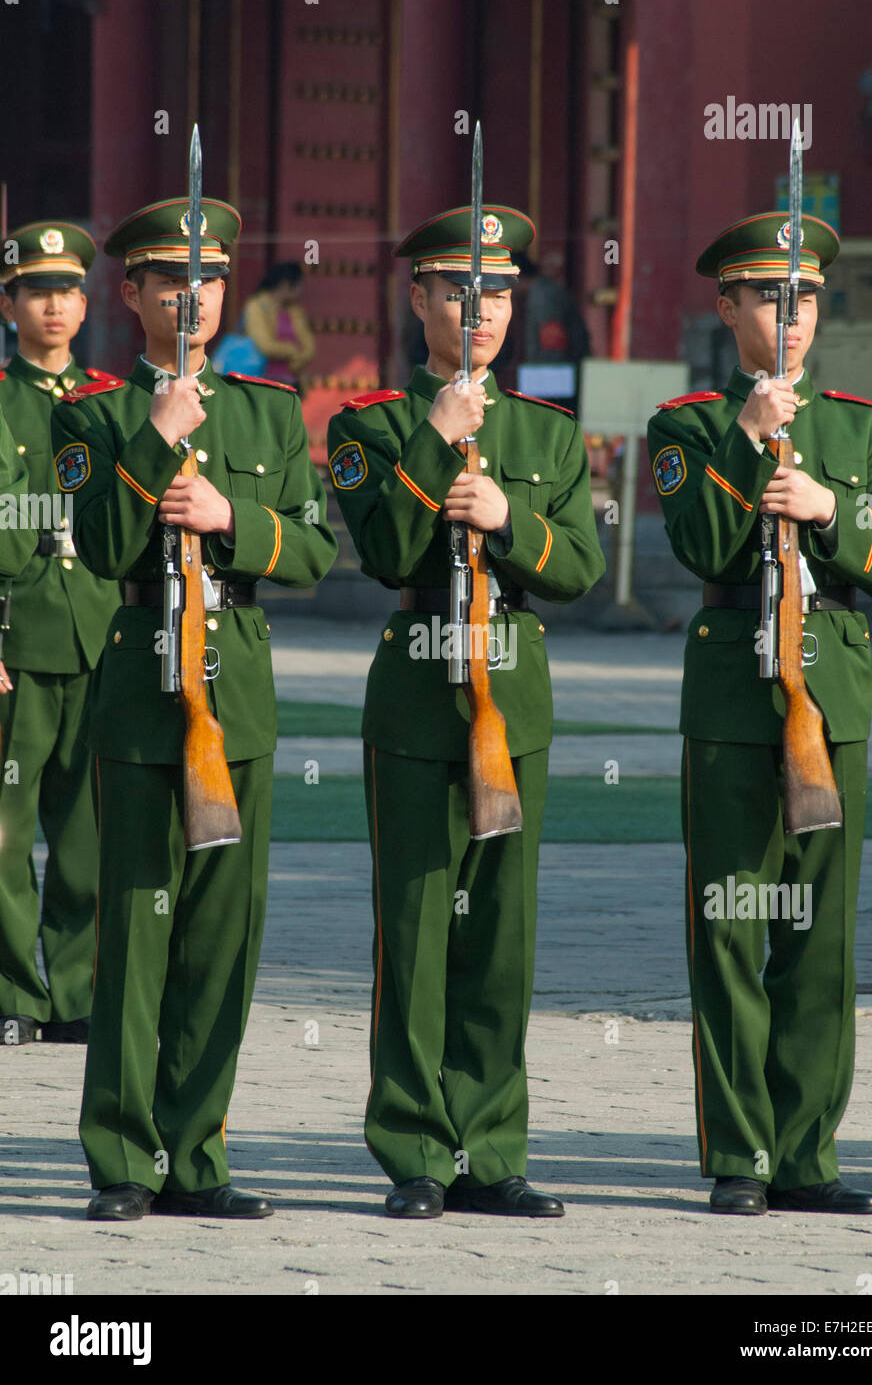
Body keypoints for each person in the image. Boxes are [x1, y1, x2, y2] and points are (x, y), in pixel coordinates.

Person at [50, 196, 337, 1220]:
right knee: (137, 926)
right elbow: (103, 544)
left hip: (236, 682)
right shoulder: (89, 413)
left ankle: (197, 1154)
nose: (194, 295)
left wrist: (235, 519)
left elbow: (311, 547)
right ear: (127, 293)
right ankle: (126, 1162)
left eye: (210, 277)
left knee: (223, 930)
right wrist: (153, 439)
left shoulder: (266, 406)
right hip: (138, 681)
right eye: (170, 278)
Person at [327, 205, 605, 1219]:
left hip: (511, 687)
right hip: (415, 686)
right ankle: (412, 1147)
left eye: (496, 290)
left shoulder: (547, 433)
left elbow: (578, 566)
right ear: (417, 299)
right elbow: (389, 554)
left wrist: (510, 519)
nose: (479, 310)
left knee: (499, 930)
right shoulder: (368, 426)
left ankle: (492, 1148)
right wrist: (438, 442)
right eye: (456, 289)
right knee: (413, 925)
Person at [647, 212, 872, 1215]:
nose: (789, 314)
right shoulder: (687, 425)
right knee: (731, 921)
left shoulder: (863, 427)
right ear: (726, 308)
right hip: (732, 695)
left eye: (803, 296)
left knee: (820, 933)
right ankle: (738, 1154)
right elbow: (702, 547)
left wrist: (829, 510)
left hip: (832, 693)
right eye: (765, 295)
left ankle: (807, 1153)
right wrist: (749, 438)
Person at [0, 221, 120, 1046]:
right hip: (16, 630)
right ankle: (15, 994)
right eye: (39, 291)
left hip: (100, 625)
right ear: (9, 304)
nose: (56, 305)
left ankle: (75, 991)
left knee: (87, 827)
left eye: (69, 290)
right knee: (7, 827)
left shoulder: (110, 399)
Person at [241, 262, 315, 391]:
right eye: (299, 286)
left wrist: (297, 359)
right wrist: (292, 350)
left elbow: (309, 346)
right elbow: (264, 345)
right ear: (286, 285)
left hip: (293, 381)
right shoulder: (256, 306)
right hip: (263, 380)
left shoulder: (295, 310)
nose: (300, 291)